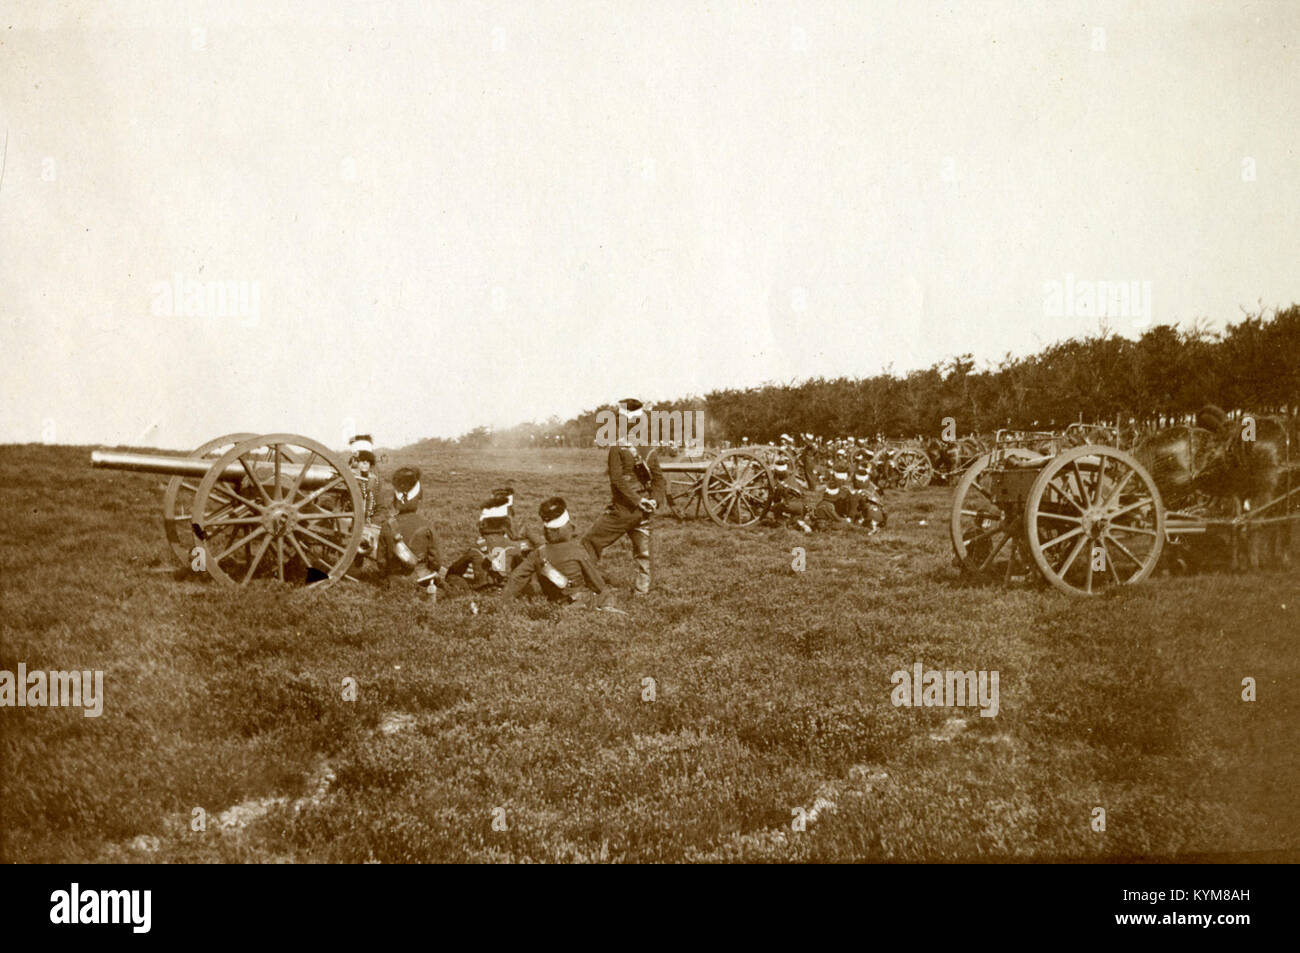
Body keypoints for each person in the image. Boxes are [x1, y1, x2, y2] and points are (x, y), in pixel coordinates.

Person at [583, 398, 666, 596]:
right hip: (644, 511)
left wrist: (637, 501)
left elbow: (617, 482)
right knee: (643, 553)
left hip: (623, 510)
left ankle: (590, 587)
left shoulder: (617, 447)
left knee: (590, 541)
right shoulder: (649, 447)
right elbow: (659, 480)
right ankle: (642, 591)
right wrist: (653, 500)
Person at [504, 497, 610, 605]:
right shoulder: (577, 550)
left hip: (554, 601)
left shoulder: (537, 554)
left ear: (546, 530)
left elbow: (516, 577)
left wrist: (505, 602)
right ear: (567, 528)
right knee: (602, 594)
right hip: (579, 601)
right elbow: (597, 583)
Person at [377, 466, 445, 591]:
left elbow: (381, 562)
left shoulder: (387, 525)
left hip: (394, 582)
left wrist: (384, 576)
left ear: (395, 499)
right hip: (421, 581)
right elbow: (436, 562)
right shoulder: (427, 525)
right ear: (418, 498)